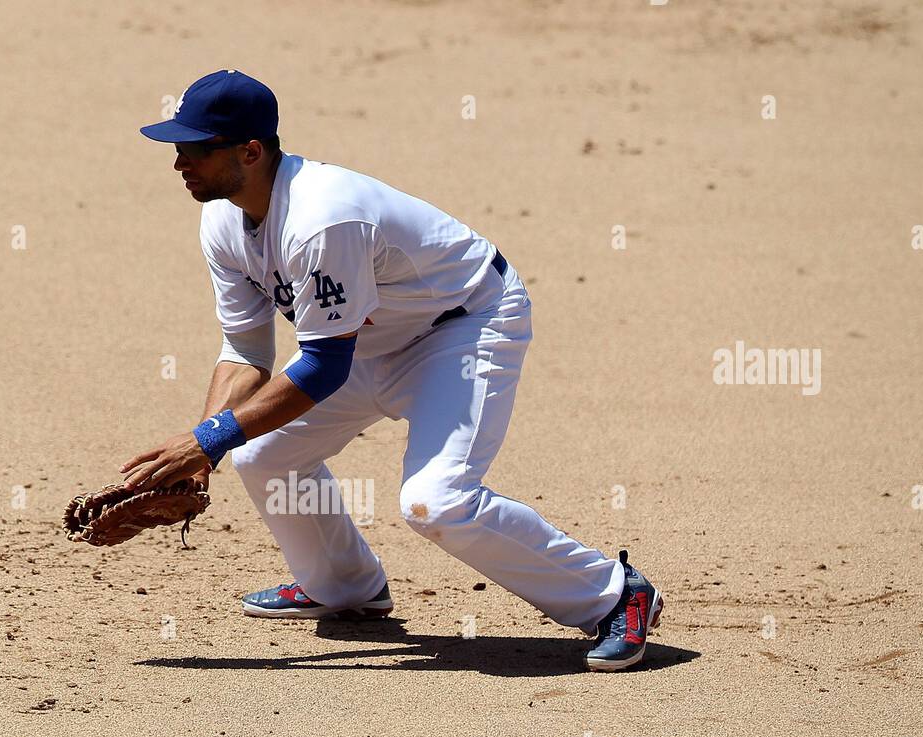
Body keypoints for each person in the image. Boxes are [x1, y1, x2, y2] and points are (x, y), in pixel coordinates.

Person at [120, 70, 662, 670]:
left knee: (437, 502)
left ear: (250, 151)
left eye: (195, 150)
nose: (179, 164)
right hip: (365, 340)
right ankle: (344, 585)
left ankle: (614, 593)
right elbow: (246, 352)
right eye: (177, 149)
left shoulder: (323, 219)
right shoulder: (223, 220)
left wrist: (205, 440)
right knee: (260, 451)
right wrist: (208, 453)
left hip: (463, 328)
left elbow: (323, 368)